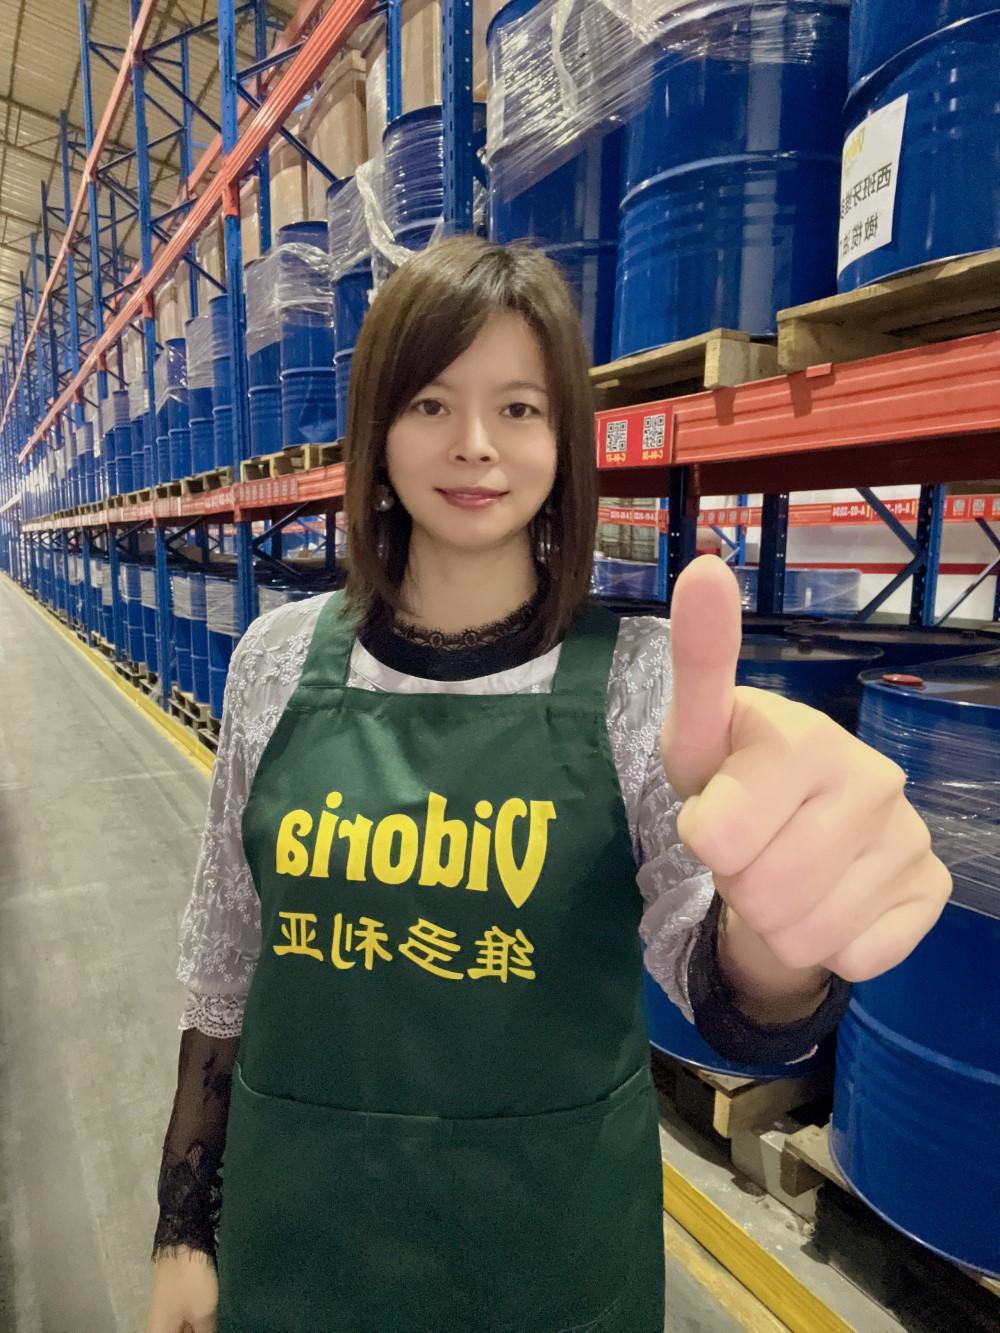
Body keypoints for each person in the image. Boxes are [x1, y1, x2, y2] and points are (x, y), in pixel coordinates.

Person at [144, 237, 951, 1333]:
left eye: (518, 408)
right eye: (431, 402)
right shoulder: (276, 663)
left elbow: (720, 988)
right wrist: (183, 1229)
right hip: (304, 1237)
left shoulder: (637, 678)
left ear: (565, 437)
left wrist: (775, 943)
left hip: (545, 1257)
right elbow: (223, 974)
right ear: (377, 430)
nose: (474, 443)